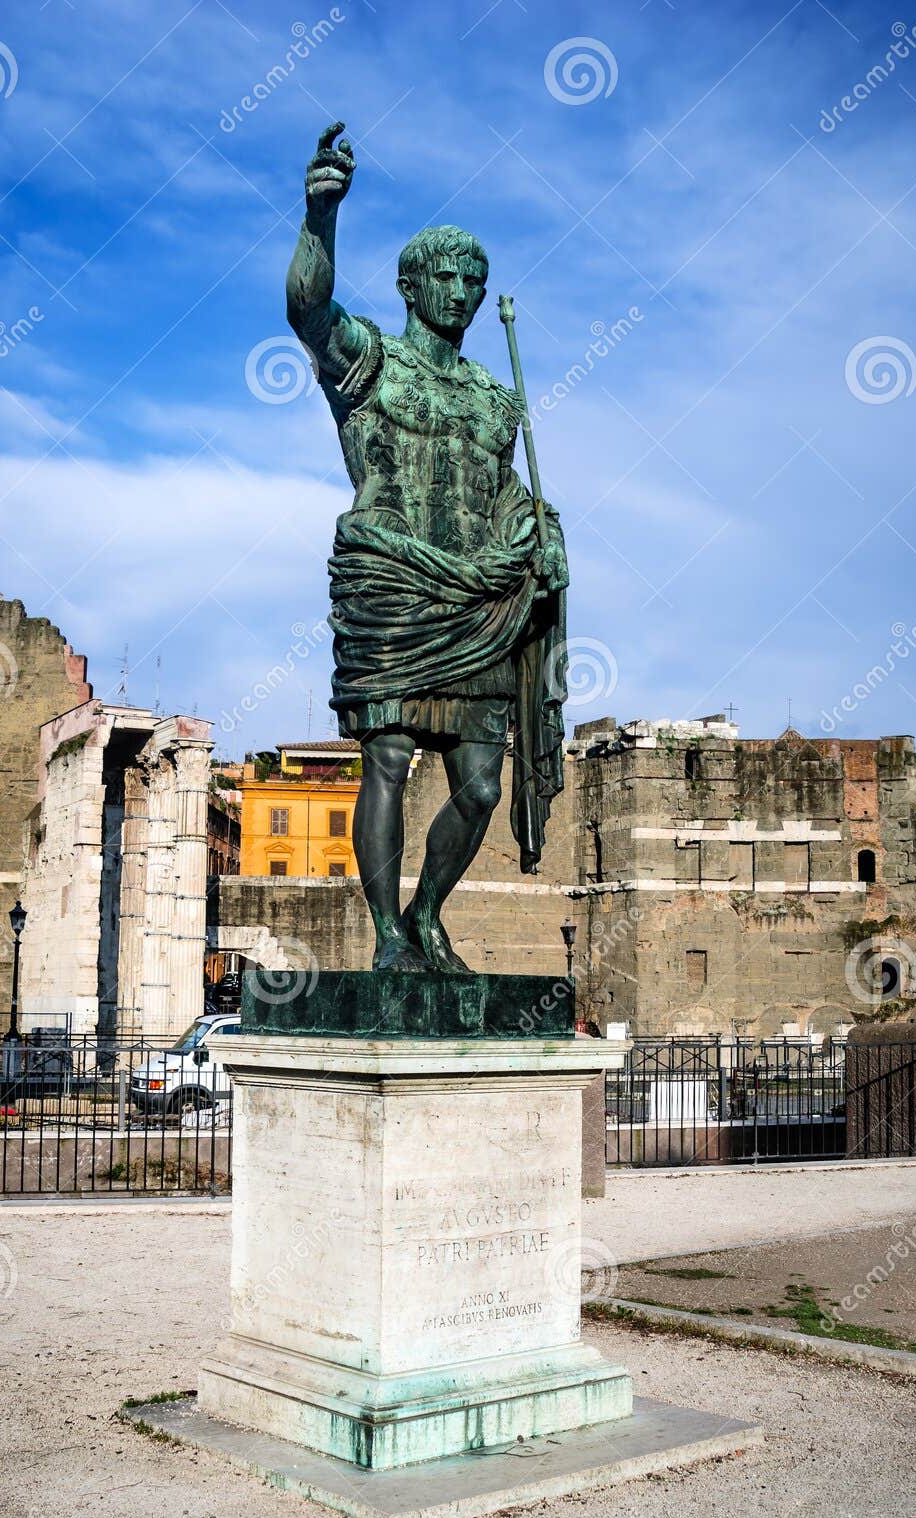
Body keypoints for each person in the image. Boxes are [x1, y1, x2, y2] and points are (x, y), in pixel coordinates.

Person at [285, 122, 568, 973]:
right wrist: (319, 215)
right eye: (444, 275)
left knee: (481, 784)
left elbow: (507, 499)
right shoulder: (370, 362)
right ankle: (384, 938)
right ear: (409, 285)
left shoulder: (495, 398)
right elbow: (305, 307)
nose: (461, 290)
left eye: (473, 279)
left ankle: (427, 915)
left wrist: (541, 537)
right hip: (392, 589)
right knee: (391, 760)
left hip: (477, 606)